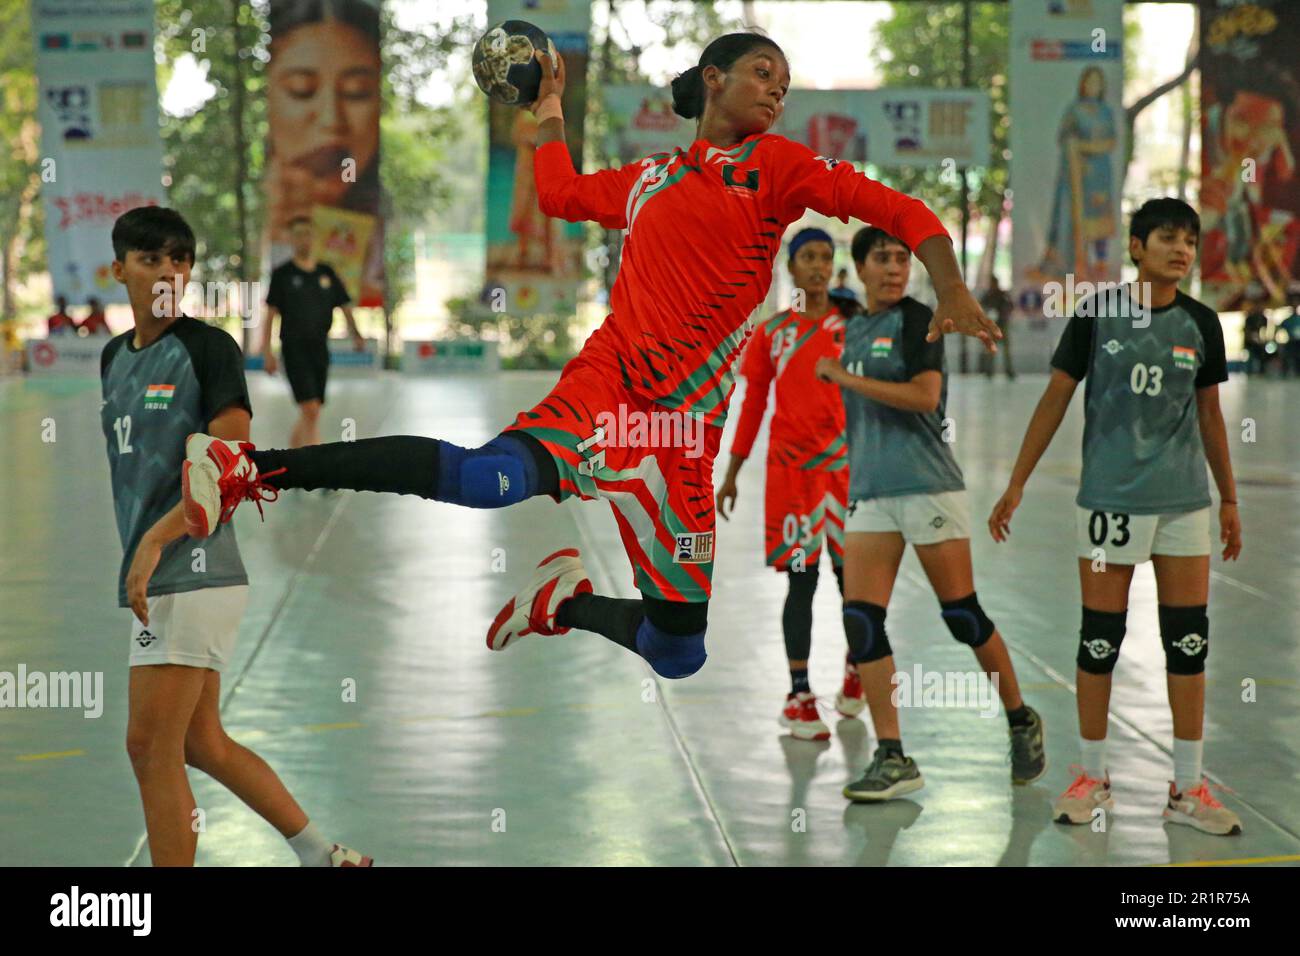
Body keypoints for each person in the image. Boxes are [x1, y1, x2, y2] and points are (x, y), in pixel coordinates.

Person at [180, 33, 999, 687]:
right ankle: (256, 467)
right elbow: (562, 193)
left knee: (680, 652)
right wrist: (550, 110)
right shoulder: (647, 181)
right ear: (711, 80)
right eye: (761, 71)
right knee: (485, 479)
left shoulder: (776, 169)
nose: (776, 89)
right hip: (614, 389)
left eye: (784, 79)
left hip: (686, 436)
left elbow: (895, 207)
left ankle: (561, 605)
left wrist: (951, 283)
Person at [101, 206, 370, 866]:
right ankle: (320, 853)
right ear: (119, 270)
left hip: (192, 570)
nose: (167, 271)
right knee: (200, 742)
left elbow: (229, 466)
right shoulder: (112, 357)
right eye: (149, 259)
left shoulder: (207, 348)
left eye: (178, 259)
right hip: (174, 577)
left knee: (149, 748)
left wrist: (155, 541)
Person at [989, 198, 1243, 836]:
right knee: (1099, 639)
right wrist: (1016, 481)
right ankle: (1092, 776)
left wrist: (1229, 497)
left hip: (1183, 505)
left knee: (1188, 643)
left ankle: (1187, 788)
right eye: (1166, 237)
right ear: (1136, 246)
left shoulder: (1201, 324)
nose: (1180, 250)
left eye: (1189, 240)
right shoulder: (1098, 315)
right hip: (1109, 503)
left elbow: (1211, 415)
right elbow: (1054, 397)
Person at [814, 226, 1045, 802]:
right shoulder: (855, 326)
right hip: (871, 493)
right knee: (861, 619)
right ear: (861, 269)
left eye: (901, 259)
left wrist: (845, 379)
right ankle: (892, 755)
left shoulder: (922, 320)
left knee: (961, 614)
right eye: (882, 260)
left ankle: (1020, 719)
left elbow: (923, 396)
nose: (894, 269)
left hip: (927, 487)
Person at [715, 228, 860, 742]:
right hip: (791, 479)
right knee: (803, 580)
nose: (819, 266)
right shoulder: (772, 333)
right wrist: (731, 473)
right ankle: (798, 695)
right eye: (808, 258)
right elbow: (752, 407)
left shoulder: (854, 327)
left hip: (845, 476)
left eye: (826, 257)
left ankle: (857, 668)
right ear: (791, 268)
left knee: (856, 583)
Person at [261, 216, 365, 448]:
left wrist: (356, 334)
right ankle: (318, 466)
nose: (303, 239)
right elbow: (270, 315)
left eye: (308, 233)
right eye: (298, 234)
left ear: (314, 237)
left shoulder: (326, 272)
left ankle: (291, 462)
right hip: (293, 348)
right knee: (310, 408)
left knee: (313, 409)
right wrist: (267, 352)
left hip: (319, 347)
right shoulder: (282, 274)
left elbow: (345, 306)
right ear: (291, 239)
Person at [1031, 66, 1118, 284]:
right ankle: (1079, 264)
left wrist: (1091, 147)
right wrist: (1080, 147)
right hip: (1079, 175)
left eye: (1098, 82)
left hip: (1101, 174)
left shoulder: (1106, 112)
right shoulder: (1074, 110)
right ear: (1083, 84)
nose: (1093, 86)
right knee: (1079, 218)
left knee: (1101, 222)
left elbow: (1112, 140)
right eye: (1090, 82)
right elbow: (1065, 139)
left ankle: (1100, 265)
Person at [978, 274, 1015, 380]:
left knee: (1006, 350)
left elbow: (1010, 305)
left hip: (1002, 324)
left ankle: (1009, 371)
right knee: (991, 349)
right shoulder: (989, 295)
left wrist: (1005, 313)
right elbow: (981, 305)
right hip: (993, 326)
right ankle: (989, 371)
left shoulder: (1002, 294)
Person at [1242, 296, 1270, 376]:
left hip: (1260, 342)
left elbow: (1265, 331)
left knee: (1262, 356)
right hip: (1250, 342)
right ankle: (1249, 373)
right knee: (1250, 358)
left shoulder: (1264, 318)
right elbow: (1247, 331)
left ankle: (1262, 372)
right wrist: (1252, 338)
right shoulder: (1250, 318)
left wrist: (1263, 340)